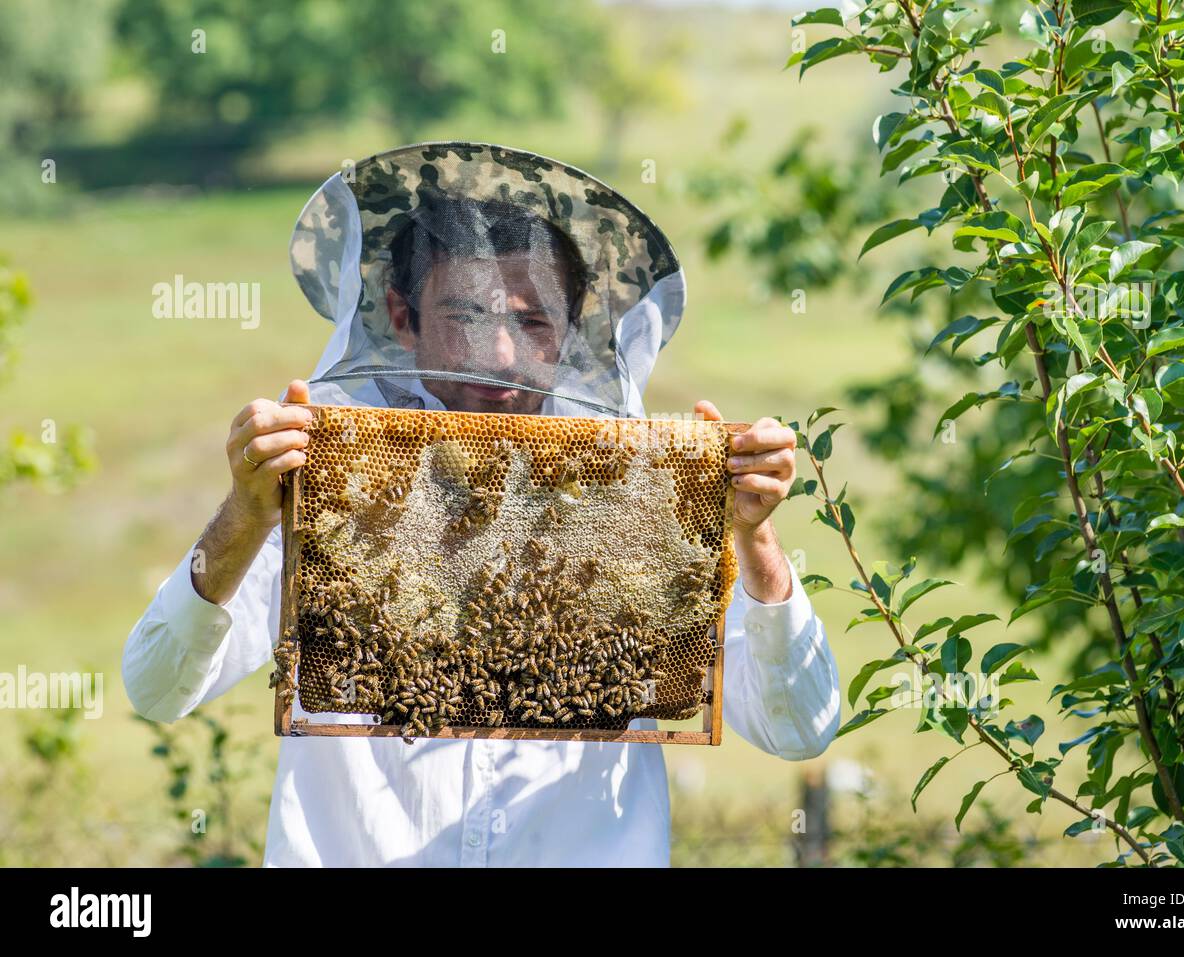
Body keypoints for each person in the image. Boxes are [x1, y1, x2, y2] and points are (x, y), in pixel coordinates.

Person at [122, 142, 840, 866]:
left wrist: (756, 541)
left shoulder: (641, 494)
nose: (500, 354)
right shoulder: (333, 482)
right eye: (467, 314)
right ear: (402, 317)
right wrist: (245, 517)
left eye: (532, 322)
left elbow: (801, 726)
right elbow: (156, 686)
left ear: (573, 329)